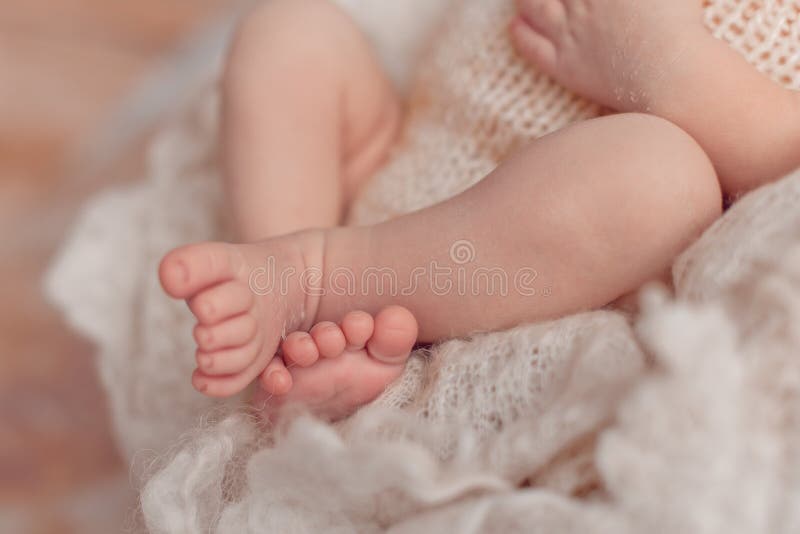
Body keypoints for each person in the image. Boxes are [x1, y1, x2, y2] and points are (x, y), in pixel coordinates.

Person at [158, 0, 800, 420]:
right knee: (292, 31)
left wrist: (662, 67)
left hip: (544, 258)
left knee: (661, 178)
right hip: (398, 153)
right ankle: (288, 319)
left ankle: (315, 276)